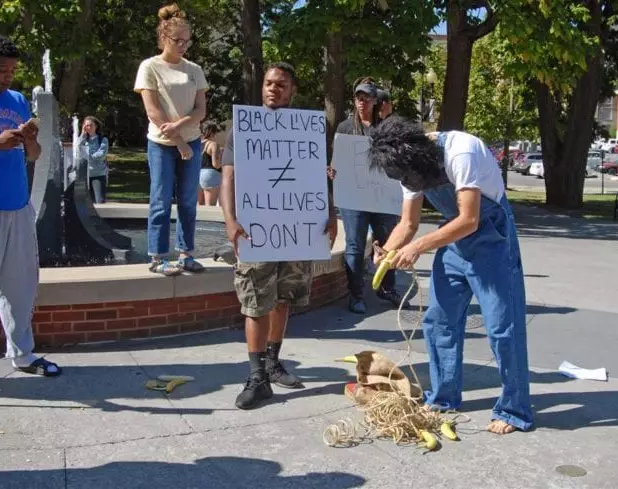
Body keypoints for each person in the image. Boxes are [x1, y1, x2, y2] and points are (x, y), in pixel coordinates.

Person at [369, 116, 532, 435]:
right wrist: (386, 251)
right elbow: (408, 224)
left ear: (418, 158)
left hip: (490, 236)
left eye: (408, 177)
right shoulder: (407, 166)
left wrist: (418, 248)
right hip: (454, 239)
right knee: (439, 321)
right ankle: (444, 397)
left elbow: (470, 219)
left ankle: (514, 409)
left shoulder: (461, 152)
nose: (409, 183)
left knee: (503, 326)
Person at [219, 62, 338, 410]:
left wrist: (330, 214)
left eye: (282, 85)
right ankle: (256, 376)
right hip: (257, 230)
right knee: (255, 302)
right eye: (269, 83)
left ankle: (273, 361)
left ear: (292, 91)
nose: (274, 89)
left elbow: (319, 178)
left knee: (284, 298)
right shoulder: (243, 127)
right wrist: (229, 219)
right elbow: (228, 177)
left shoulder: (308, 129)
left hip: (297, 230)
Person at [0, 34, 61, 377]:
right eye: (2, 69)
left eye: (12, 69)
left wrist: (30, 141)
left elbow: (32, 156)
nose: (8, 75)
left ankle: (23, 353)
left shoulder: (17, 100)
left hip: (17, 206)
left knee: (19, 285)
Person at [134, 3, 208, 276]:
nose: (183, 46)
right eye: (178, 41)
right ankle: (158, 256)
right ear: (164, 38)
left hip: (192, 141)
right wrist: (179, 141)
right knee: (161, 200)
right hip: (162, 144)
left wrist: (181, 127)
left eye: (187, 42)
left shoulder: (195, 70)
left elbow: (201, 110)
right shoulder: (149, 67)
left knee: (189, 201)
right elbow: (153, 112)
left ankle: (186, 254)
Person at [333, 79, 407, 314]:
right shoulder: (345, 128)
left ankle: (387, 287)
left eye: (366, 98)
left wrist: (389, 118)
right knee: (354, 245)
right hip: (354, 198)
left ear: (376, 101)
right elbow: (337, 161)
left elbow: (398, 153)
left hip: (382, 197)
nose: (361, 102)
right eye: (358, 97)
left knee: (389, 244)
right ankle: (356, 295)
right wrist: (332, 169)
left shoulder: (386, 126)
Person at [78, 115, 110, 204]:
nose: (88, 127)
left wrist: (88, 156)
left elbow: (101, 155)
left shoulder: (103, 140)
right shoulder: (83, 139)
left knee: (99, 202)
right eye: (86, 125)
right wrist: (82, 134)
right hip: (85, 176)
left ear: (96, 126)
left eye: (90, 125)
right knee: (88, 205)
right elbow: (77, 149)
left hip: (98, 175)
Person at [197, 121, 222, 206]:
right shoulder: (213, 144)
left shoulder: (197, 144)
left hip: (197, 174)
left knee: (199, 205)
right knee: (210, 206)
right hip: (210, 174)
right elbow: (215, 164)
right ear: (212, 133)